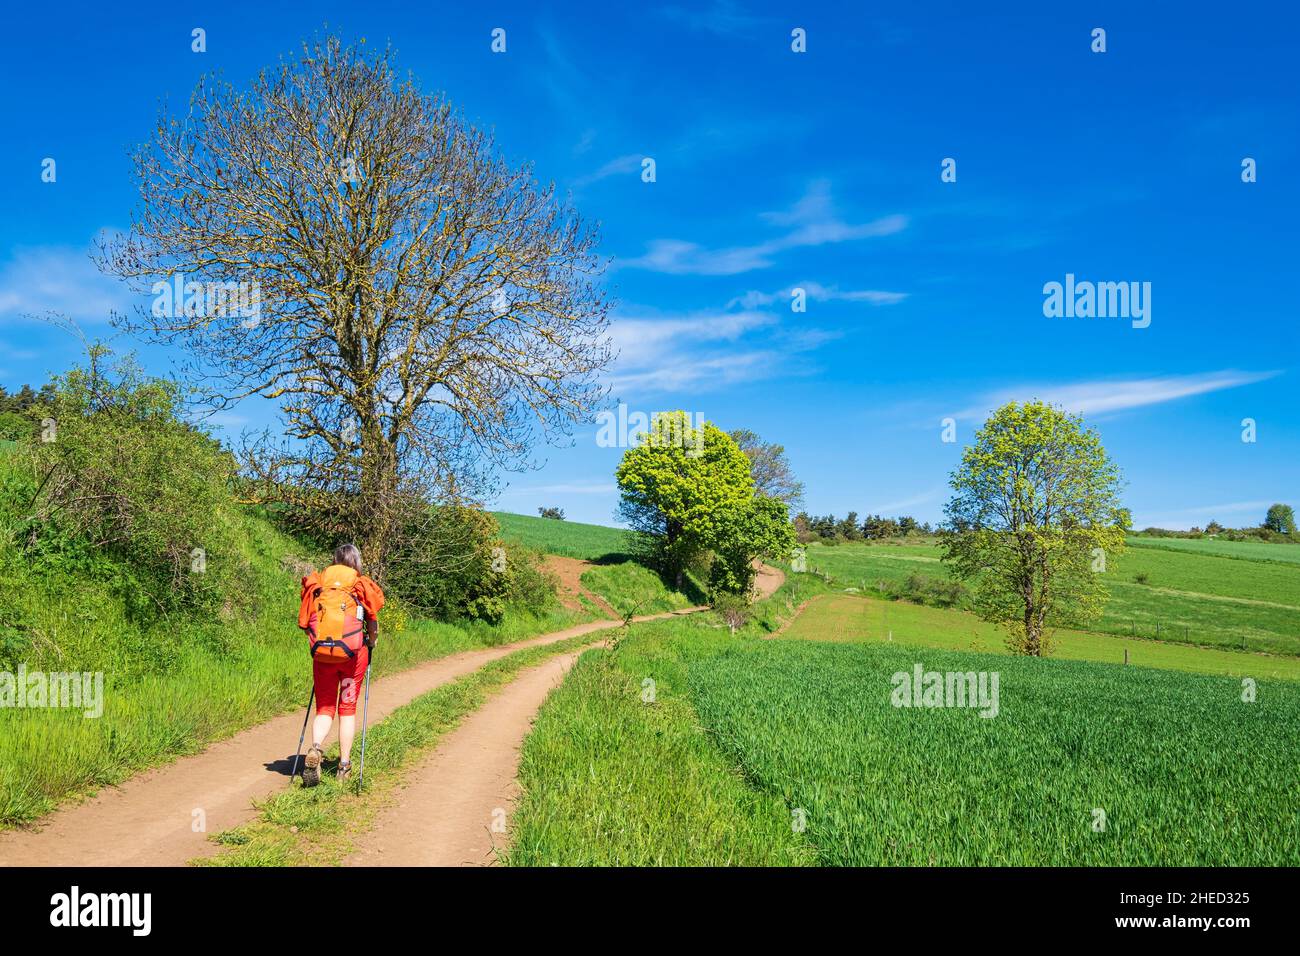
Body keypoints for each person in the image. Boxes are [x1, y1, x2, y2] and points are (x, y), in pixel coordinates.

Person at [296, 543, 385, 786]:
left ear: (334, 560)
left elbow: (306, 624)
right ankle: (343, 766)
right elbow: (373, 622)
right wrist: (372, 641)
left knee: (324, 708)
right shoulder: (360, 584)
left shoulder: (319, 583)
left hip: (322, 656)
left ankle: (315, 748)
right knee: (347, 710)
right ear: (356, 561)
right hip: (352, 659)